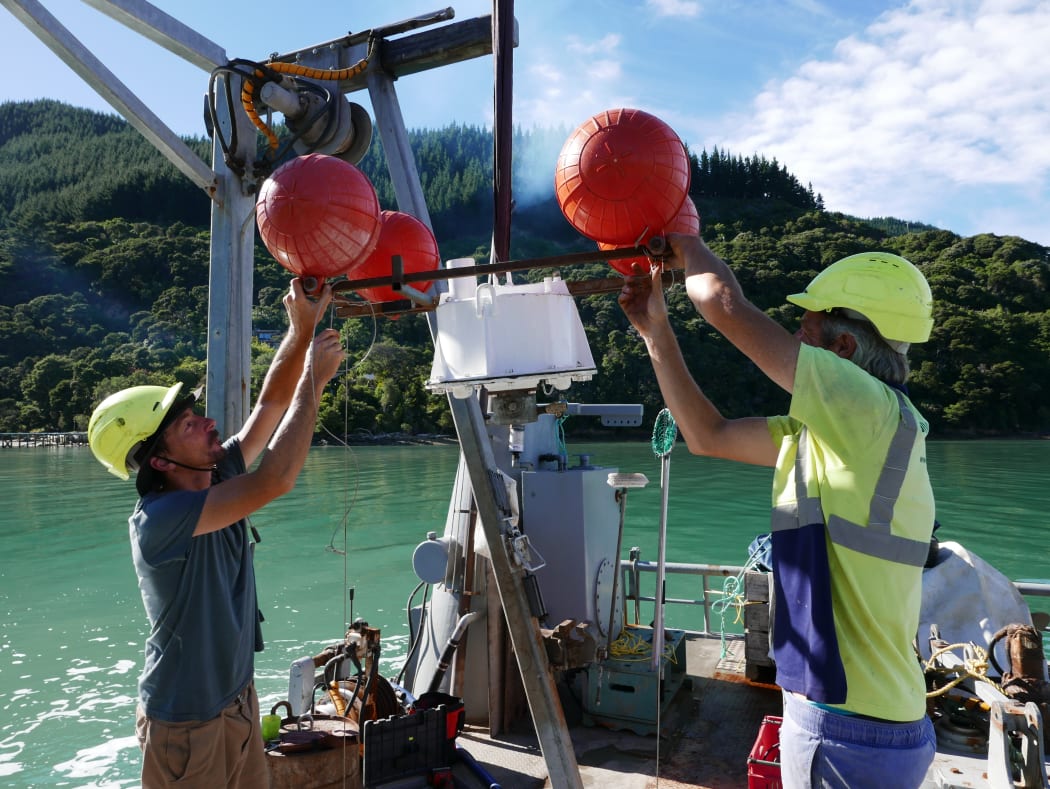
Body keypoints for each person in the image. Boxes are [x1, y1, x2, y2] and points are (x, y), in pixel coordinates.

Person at [619, 235, 937, 788]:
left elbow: (722, 304)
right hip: (865, 719)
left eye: (805, 331)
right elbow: (708, 435)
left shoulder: (864, 408)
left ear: (844, 350)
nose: (792, 340)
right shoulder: (846, 432)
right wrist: (655, 332)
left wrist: (685, 239)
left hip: (848, 729)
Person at [87, 279, 344, 788]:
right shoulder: (161, 520)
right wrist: (314, 381)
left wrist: (300, 332)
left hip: (237, 701)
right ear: (160, 462)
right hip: (185, 724)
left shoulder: (215, 472)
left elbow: (269, 407)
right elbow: (275, 479)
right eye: (187, 425)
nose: (207, 423)